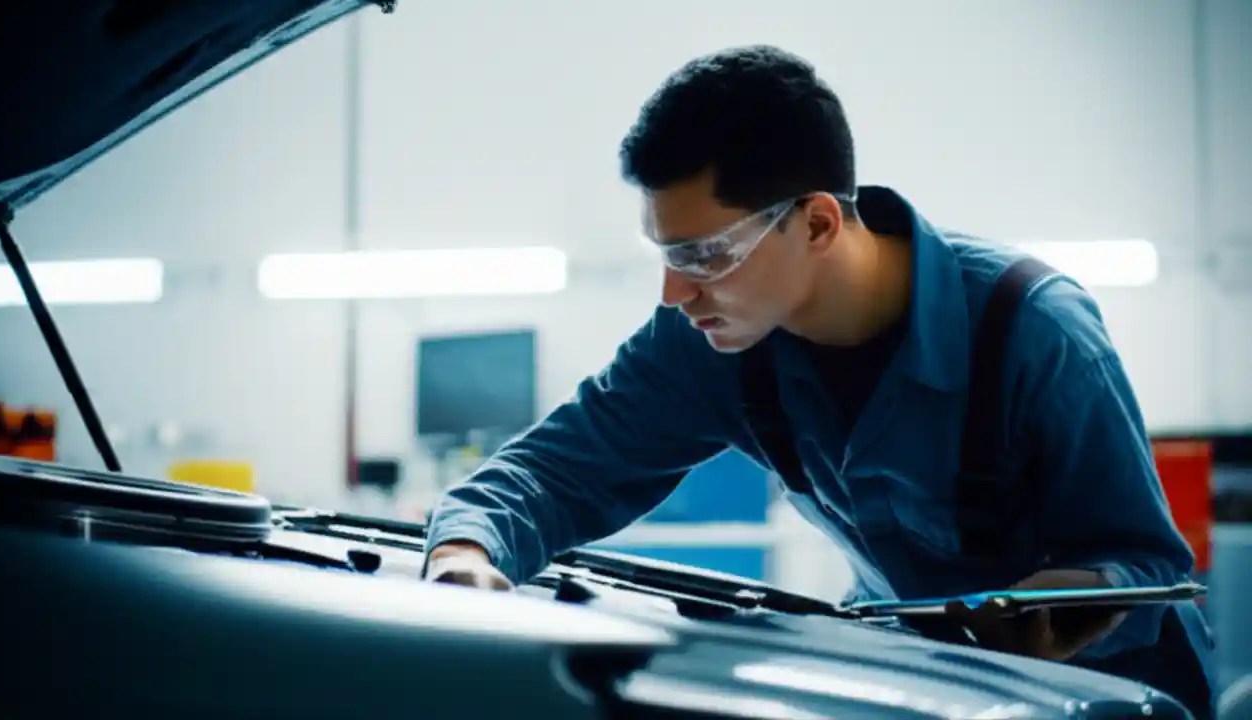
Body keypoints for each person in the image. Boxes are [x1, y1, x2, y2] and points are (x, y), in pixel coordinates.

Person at [421, 45, 1215, 717]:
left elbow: (1151, 567)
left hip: (1108, 697)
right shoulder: (710, 342)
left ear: (818, 223)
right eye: (665, 255)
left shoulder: (1035, 333)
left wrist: (1076, 597)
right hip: (935, 690)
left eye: (703, 256)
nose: (675, 292)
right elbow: (550, 471)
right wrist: (462, 553)